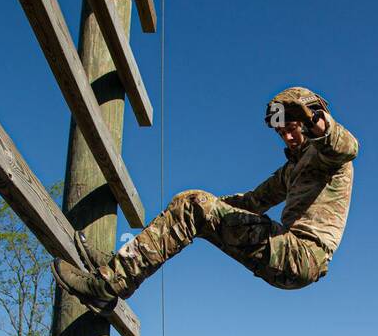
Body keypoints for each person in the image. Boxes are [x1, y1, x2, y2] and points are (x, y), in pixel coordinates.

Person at [52, 86, 358, 308]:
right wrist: (200, 205)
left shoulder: (329, 156)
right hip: (287, 254)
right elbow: (251, 201)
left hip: (302, 256)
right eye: (281, 134)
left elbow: (347, 147)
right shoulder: (290, 170)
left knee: (193, 206)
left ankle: (107, 285)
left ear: (308, 121)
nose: (288, 138)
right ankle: (121, 264)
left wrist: (318, 120)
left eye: (291, 129)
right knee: (190, 203)